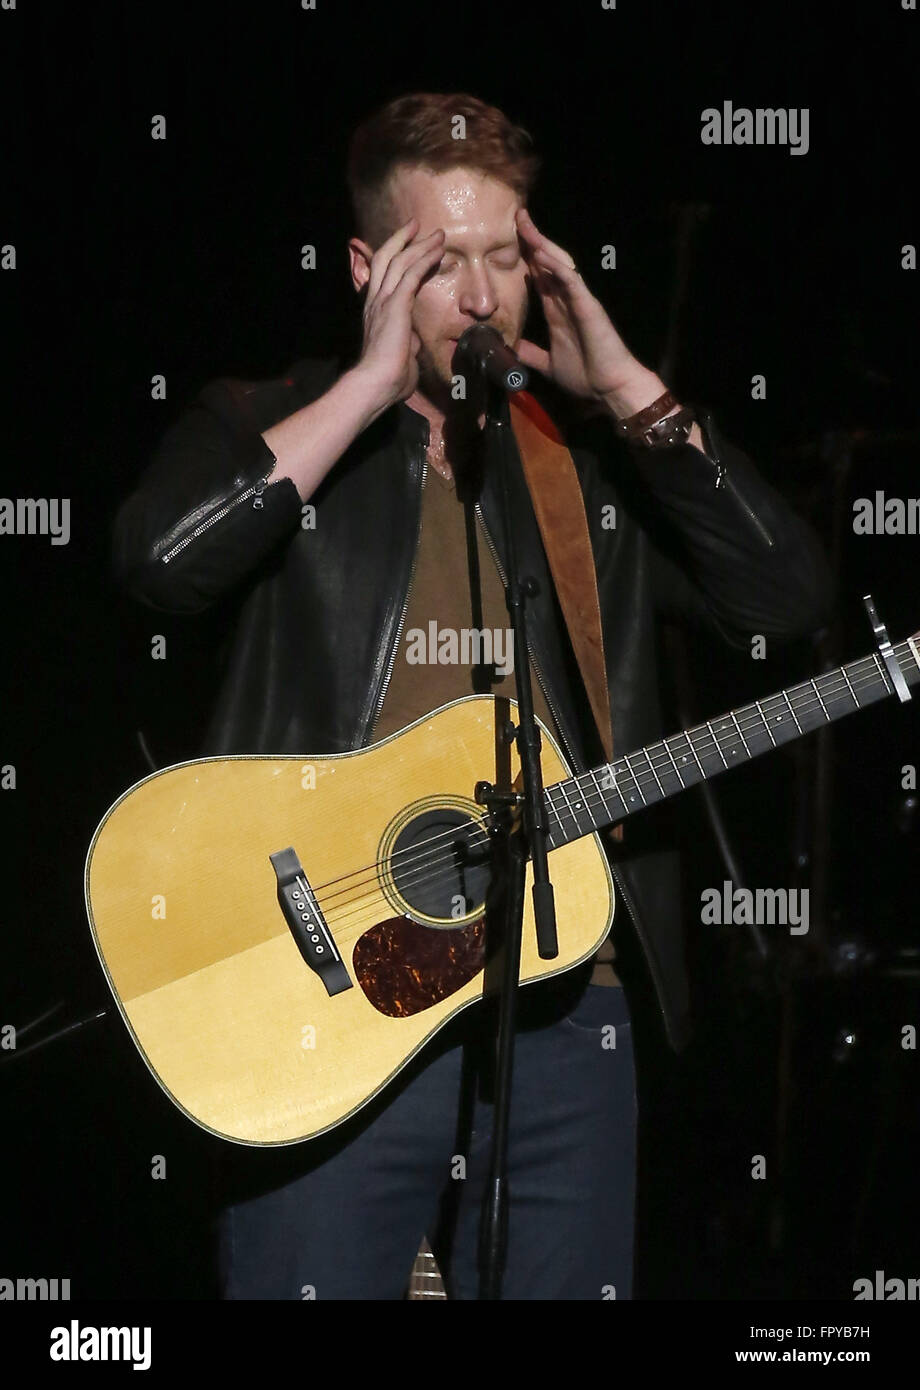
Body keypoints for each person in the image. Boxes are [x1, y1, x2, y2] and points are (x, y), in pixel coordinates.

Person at [112, 91, 833, 1300]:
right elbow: (157, 565)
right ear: (368, 266)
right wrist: (364, 386)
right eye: (444, 264)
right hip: (321, 988)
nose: (485, 297)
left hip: (565, 997)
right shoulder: (264, 419)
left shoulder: (583, 466)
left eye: (504, 256)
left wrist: (634, 398)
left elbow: (787, 598)